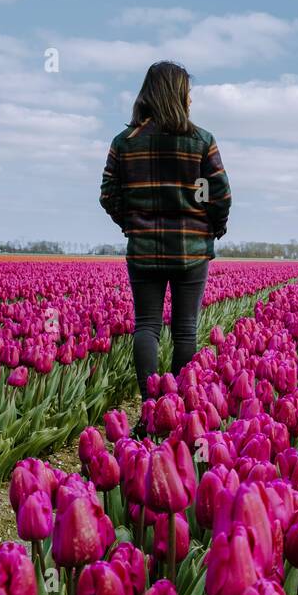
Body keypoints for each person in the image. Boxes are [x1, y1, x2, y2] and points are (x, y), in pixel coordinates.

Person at [99, 60, 231, 413]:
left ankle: (150, 405)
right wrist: (212, 228)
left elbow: (108, 195)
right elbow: (218, 195)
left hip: (143, 249)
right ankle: (176, 409)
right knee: (185, 330)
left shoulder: (124, 143)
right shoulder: (201, 141)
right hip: (191, 249)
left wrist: (131, 223)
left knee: (147, 326)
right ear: (179, 95)